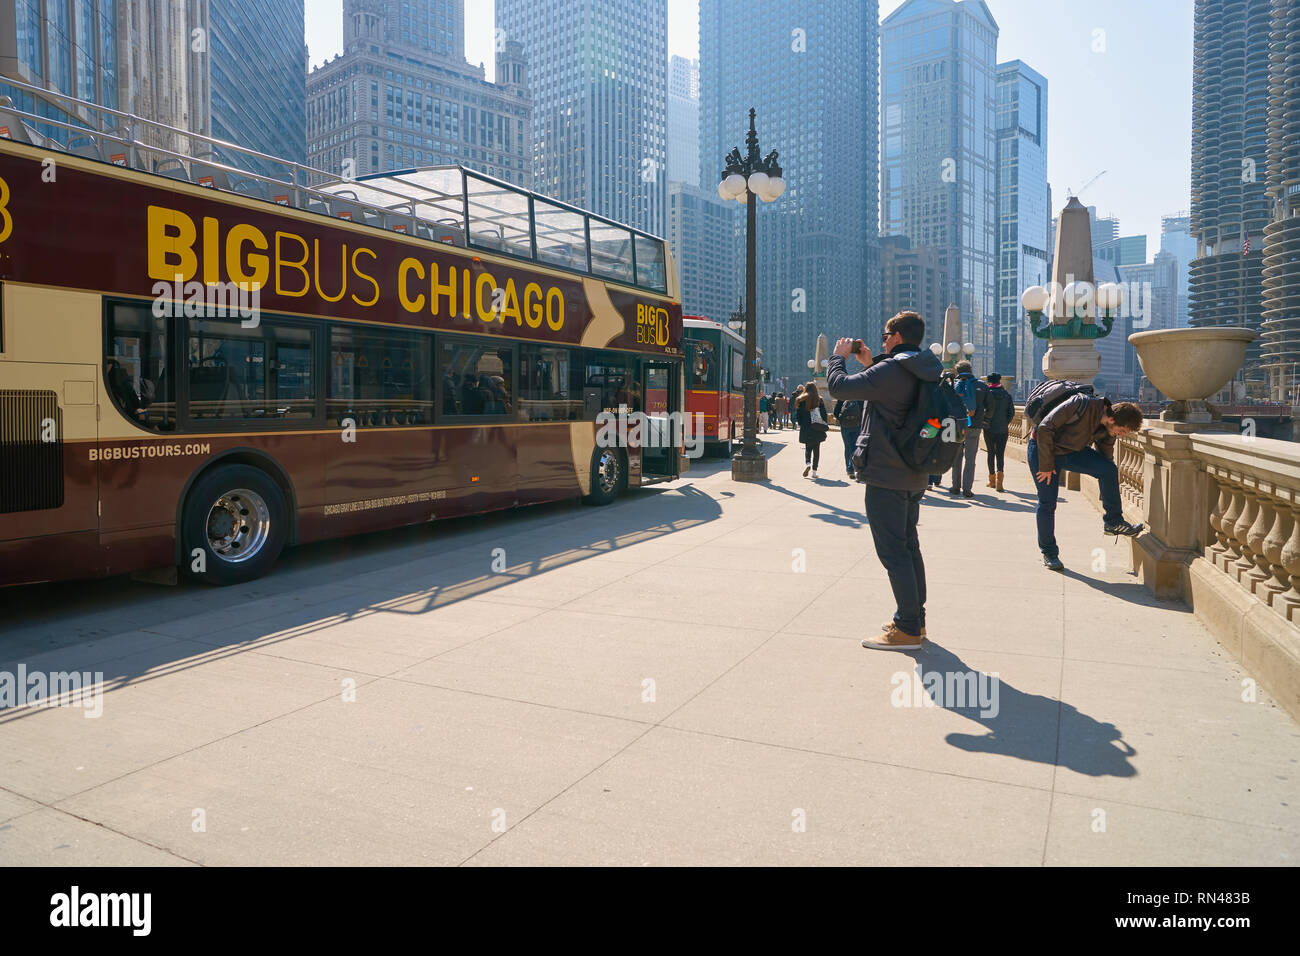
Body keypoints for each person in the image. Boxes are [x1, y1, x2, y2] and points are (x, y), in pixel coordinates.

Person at [827, 311, 944, 650]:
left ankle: (907, 627)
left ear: (895, 336)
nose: (881, 341)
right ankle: (915, 620)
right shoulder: (924, 368)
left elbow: (838, 388)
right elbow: (892, 397)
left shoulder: (891, 369)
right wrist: (871, 363)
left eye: (884, 336)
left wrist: (839, 357)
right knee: (908, 546)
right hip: (914, 470)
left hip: (887, 472)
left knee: (893, 551)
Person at [1029, 393, 1145, 571]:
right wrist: (1046, 464)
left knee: (1108, 470)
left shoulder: (1108, 430)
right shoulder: (1081, 404)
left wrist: (1106, 486)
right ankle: (1049, 553)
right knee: (1047, 503)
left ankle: (1113, 521)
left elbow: (1105, 460)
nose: (1120, 435)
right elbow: (1045, 427)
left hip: (1071, 452)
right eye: (1121, 431)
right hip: (1043, 449)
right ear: (1112, 419)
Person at [947, 360, 988, 499]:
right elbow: (990, 406)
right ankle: (967, 489)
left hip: (956, 424)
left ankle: (955, 486)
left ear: (957, 372)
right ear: (970, 370)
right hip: (974, 426)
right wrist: (984, 420)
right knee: (970, 458)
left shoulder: (952, 386)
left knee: (956, 457)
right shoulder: (981, 385)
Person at [982, 372, 1015, 491]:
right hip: (1002, 429)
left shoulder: (987, 394)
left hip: (989, 428)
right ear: (999, 382)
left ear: (989, 382)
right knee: (1000, 454)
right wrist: (1004, 423)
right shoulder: (1007, 395)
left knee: (991, 453)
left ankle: (992, 480)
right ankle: (1000, 480)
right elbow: (1011, 413)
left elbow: (983, 411)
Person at [795, 382, 827, 479]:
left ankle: (808, 463)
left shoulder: (801, 399)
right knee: (816, 450)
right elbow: (824, 414)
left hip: (806, 428)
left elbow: (798, 416)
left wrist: (802, 424)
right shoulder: (819, 399)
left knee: (808, 448)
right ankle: (814, 472)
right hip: (816, 427)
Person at [833, 394, 865, 480]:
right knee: (854, 447)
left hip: (845, 427)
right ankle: (851, 468)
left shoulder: (842, 396)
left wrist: (842, 420)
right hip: (857, 426)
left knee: (847, 447)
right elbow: (864, 412)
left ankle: (849, 469)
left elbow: (835, 412)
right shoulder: (860, 396)